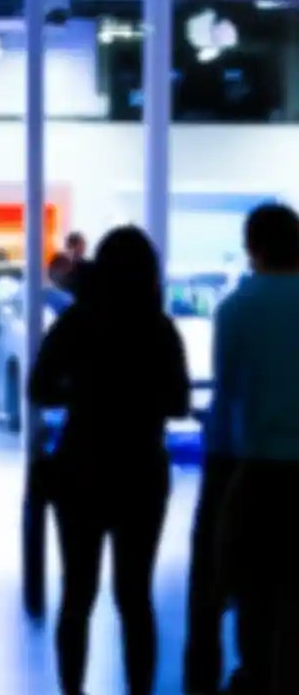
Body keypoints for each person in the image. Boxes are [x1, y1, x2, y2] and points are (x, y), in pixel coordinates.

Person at [29, 226, 190, 695]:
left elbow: (38, 388)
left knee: (77, 594)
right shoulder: (159, 328)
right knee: (135, 596)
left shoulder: (77, 321)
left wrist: (81, 392)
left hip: (81, 463)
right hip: (141, 467)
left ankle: (72, 689)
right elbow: (179, 404)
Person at [213, 202, 299, 694]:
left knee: (255, 589)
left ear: (252, 248)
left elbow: (228, 397)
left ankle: (255, 674)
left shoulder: (237, 308)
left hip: (261, 470)